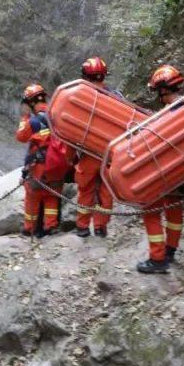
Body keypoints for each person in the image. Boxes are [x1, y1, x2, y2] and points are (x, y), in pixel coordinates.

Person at [136, 64, 184, 273]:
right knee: (175, 208)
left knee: (151, 209)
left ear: (163, 89)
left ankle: (158, 259)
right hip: (183, 170)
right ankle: (170, 250)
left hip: (166, 169)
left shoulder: (171, 112)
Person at [75, 57, 117, 237]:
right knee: (106, 192)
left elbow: (71, 130)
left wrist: (70, 157)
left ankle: (82, 227)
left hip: (89, 153)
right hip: (110, 154)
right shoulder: (116, 97)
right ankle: (100, 227)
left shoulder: (78, 98)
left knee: (86, 190)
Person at [15, 83, 61, 237]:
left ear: (31, 102)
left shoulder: (34, 122)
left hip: (40, 166)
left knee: (33, 195)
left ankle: (30, 228)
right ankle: (51, 226)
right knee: (51, 196)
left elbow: (21, 137)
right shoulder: (57, 115)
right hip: (58, 165)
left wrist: (25, 116)